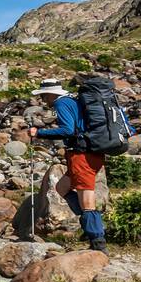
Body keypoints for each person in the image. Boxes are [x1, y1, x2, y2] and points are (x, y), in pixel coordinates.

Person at [28, 78, 130, 253]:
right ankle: (89, 226)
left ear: (52, 94)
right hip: (89, 153)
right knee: (61, 188)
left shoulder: (61, 103)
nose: (44, 99)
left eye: (44, 96)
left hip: (82, 155)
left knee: (87, 200)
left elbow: (68, 130)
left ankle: (98, 241)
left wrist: (40, 133)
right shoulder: (72, 100)